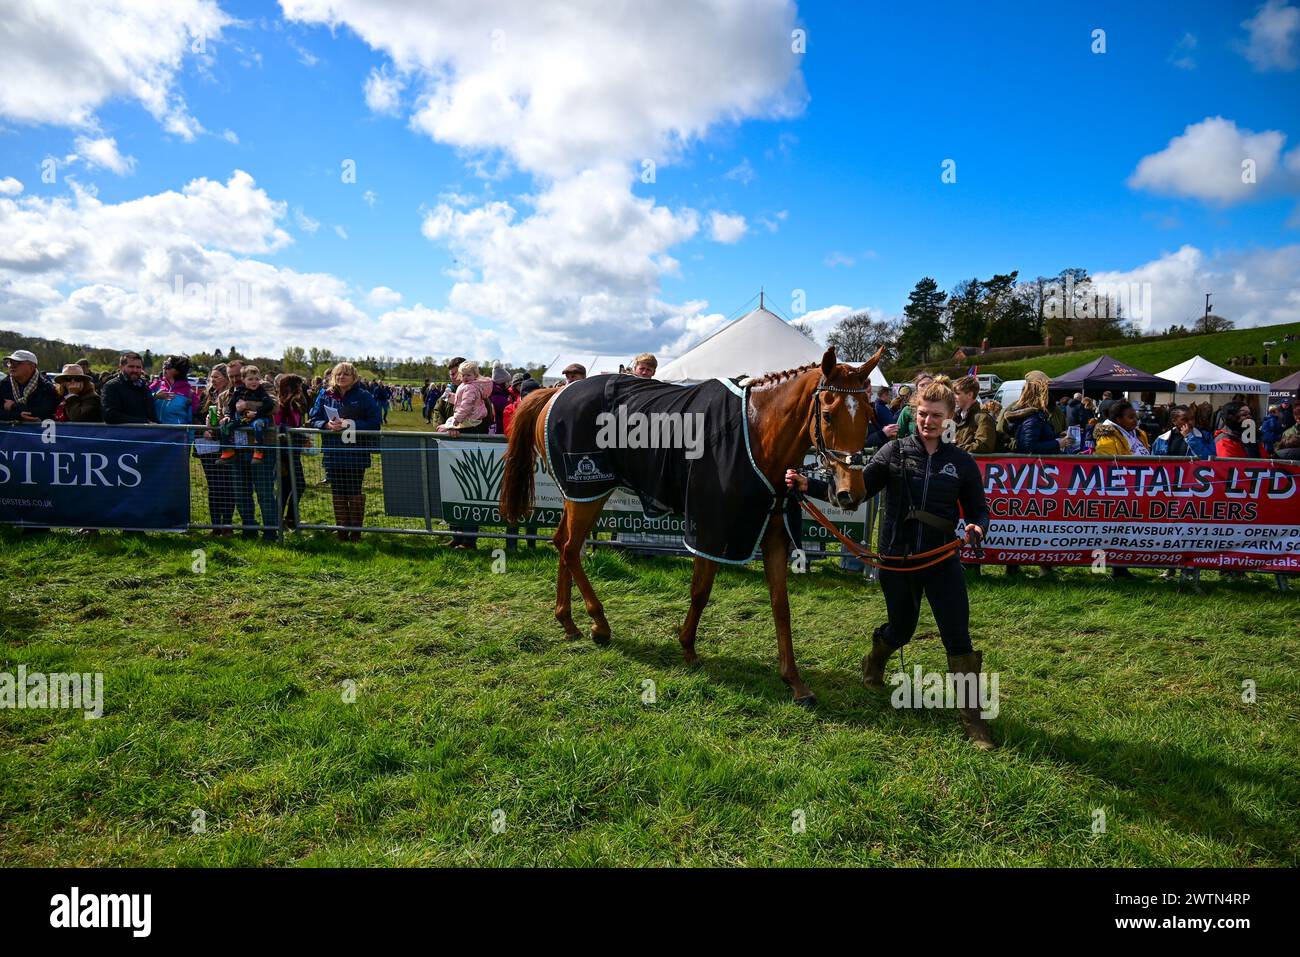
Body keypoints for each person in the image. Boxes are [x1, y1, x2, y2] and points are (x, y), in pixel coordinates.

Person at [785, 379, 994, 750]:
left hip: (942, 559)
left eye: (936, 416)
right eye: (923, 414)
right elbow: (855, 494)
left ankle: (973, 720)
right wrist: (808, 485)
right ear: (914, 412)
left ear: (948, 418)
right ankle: (875, 659)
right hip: (897, 559)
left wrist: (978, 523)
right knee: (902, 628)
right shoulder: (893, 453)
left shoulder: (961, 462)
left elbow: (978, 507)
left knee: (958, 636)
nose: (928, 421)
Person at [309, 361, 382, 541]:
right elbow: (313, 418)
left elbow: (374, 422)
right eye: (338, 374)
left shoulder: (364, 396)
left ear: (354, 377)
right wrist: (326, 424)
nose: (341, 377)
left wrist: (351, 424)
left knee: (354, 490)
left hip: (355, 452)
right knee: (338, 491)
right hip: (333, 451)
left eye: (346, 374)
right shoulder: (325, 395)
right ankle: (342, 529)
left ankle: (355, 531)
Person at [196, 364, 236, 536]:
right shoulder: (206, 395)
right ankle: (215, 526)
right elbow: (196, 416)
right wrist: (202, 428)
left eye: (217, 377)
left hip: (226, 445)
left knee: (227, 486)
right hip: (207, 447)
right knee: (213, 486)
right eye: (212, 377)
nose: (213, 380)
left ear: (226, 379)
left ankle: (227, 525)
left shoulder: (231, 396)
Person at [274, 373, 310, 529]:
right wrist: (301, 436)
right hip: (283, 454)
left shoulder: (294, 406)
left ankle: (287, 519)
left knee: (294, 486)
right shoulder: (280, 407)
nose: (300, 390)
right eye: (298, 387)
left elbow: (294, 427)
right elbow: (279, 427)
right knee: (293, 486)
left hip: (293, 452)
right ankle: (283, 520)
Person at [221, 365, 276, 462]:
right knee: (226, 425)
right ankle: (228, 451)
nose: (254, 382)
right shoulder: (239, 391)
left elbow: (270, 404)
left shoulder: (261, 390)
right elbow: (231, 405)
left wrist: (256, 412)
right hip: (245, 419)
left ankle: (258, 452)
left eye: (257, 379)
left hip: (260, 418)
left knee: (258, 424)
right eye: (250, 379)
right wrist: (228, 416)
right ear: (243, 379)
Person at [1, 349, 59, 422]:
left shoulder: (46, 387)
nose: (12, 366)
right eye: (10, 363)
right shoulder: (4, 384)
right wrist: (17, 416)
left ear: (32, 367)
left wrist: (13, 406)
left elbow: (44, 412)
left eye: (17, 363)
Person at [101, 352, 158, 424]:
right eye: (131, 366)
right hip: (124, 433)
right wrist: (144, 422)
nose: (135, 370)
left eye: (138, 367)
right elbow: (110, 415)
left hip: (149, 433)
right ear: (121, 367)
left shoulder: (144, 387)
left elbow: (152, 414)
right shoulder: (111, 386)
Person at [436, 360, 492, 433]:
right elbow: (437, 411)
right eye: (463, 375)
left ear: (475, 375)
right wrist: (450, 397)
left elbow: (466, 405)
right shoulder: (463, 386)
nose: (465, 377)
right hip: (466, 422)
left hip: (470, 424)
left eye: (468, 375)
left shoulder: (470, 388)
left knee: (451, 421)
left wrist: (456, 421)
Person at [150, 355, 202, 425]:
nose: (164, 367)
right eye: (164, 364)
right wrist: (154, 396)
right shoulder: (156, 385)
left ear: (177, 371)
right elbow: (141, 399)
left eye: (168, 365)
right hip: (155, 433)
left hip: (177, 434)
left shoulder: (190, 393)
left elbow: (195, 419)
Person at [430, 357, 465, 428]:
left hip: (470, 437)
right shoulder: (447, 392)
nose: (456, 377)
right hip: (448, 436)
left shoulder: (479, 392)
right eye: (452, 374)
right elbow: (437, 411)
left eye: (459, 373)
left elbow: (484, 418)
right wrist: (443, 427)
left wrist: (457, 428)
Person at [895, 372, 933, 438]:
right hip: (913, 447)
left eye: (929, 385)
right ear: (917, 389)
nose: (926, 387)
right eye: (922, 385)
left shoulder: (941, 408)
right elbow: (899, 434)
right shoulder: (908, 410)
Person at [488, 362, 511, 433]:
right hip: (499, 431)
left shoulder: (499, 394)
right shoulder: (496, 397)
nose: (509, 384)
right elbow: (509, 409)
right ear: (502, 382)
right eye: (507, 381)